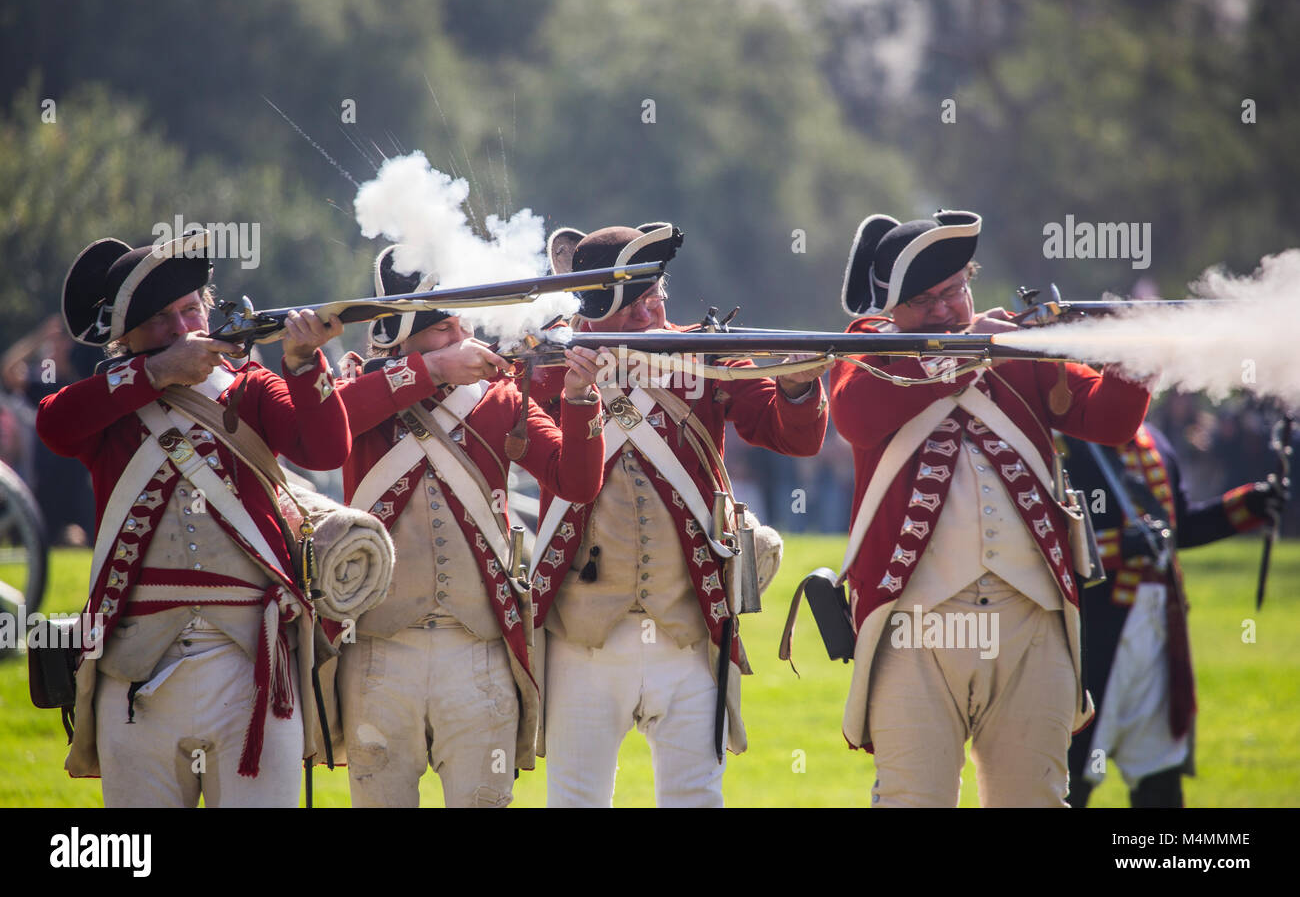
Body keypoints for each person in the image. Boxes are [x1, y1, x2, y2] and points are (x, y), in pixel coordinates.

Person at [829, 209, 1152, 807]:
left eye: (954, 290)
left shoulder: (1016, 348)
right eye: (926, 299)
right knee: (911, 799)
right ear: (890, 310)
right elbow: (856, 415)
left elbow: (1112, 419)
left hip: (1030, 619)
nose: (948, 309)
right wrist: (979, 349)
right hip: (915, 621)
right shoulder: (869, 350)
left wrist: (1134, 348)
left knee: (1034, 797)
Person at [36, 231, 349, 807]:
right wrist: (155, 374)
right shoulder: (112, 398)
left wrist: (305, 363)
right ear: (124, 337)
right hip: (137, 661)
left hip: (253, 662)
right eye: (160, 319)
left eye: (190, 309)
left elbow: (326, 450)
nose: (182, 328)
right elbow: (55, 423)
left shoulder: (251, 388)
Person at [530, 223, 829, 807]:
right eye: (639, 300)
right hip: (580, 634)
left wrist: (796, 387)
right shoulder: (548, 362)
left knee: (696, 796)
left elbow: (785, 435)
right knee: (575, 799)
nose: (655, 309)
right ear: (598, 305)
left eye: (657, 293)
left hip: (689, 625)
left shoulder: (702, 352)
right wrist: (575, 379)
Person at [333, 245, 606, 807]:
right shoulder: (364, 389)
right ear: (401, 335)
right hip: (379, 648)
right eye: (441, 329)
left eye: (460, 323)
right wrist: (429, 371)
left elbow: (576, 482)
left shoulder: (500, 399)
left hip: (479, 647)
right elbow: (324, 431)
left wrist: (580, 401)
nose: (458, 337)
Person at [1062, 422, 1284, 807]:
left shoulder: (1155, 439)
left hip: (1158, 632)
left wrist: (1249, 505)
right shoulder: (1067, 440)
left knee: (1159, 778)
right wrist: (1120, 547)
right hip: (1095, 636)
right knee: (1072, 772)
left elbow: (1176, 526)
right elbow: (1050, 538)